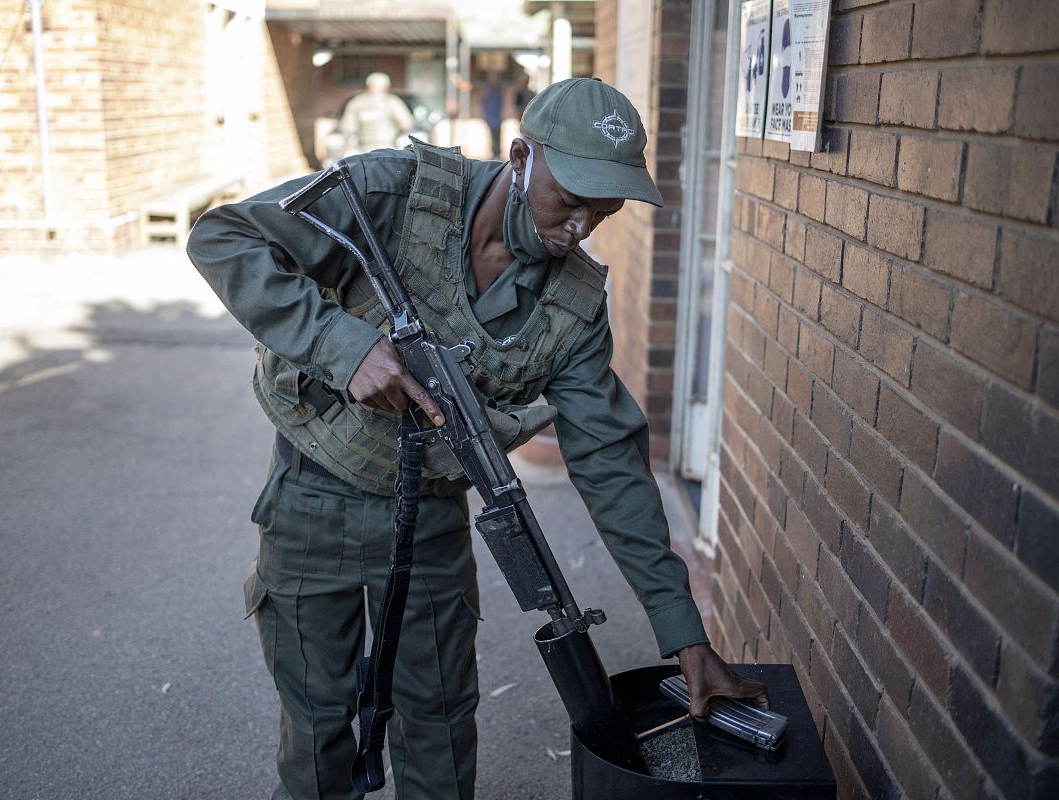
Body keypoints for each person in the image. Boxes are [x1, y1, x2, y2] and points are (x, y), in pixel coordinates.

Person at [187, 77, 768, 800]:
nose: (581, 227)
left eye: (604, 209)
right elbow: (223, 236)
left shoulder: (575, 306)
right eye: (570, 200)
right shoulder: (393, 195)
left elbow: (612, 467)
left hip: (430, 516)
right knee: (317, 740)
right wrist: (340, 346)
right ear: (521, 158)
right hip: (314, 497)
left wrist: (684, 634)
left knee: (439, 735)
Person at [337, 72, 416, 155]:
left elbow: (347, 127)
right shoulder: (392, 102)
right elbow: (407, 124)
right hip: (387, 149)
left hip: (364, 151)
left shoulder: (357, 102)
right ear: (386, 87)